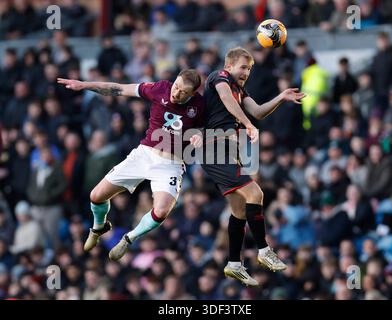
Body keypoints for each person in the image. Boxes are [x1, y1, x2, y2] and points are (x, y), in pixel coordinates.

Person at [57, 69, 204, 259]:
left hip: (170, 164)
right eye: (176, 86)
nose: (176, 93)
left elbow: (212, 127)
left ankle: (129, 238)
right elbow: (118, 89)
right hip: (144, 155)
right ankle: (98, 228)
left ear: (192, 94)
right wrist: (85, 85)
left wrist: (201, 135)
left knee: (161, 211)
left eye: (183, 92)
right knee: (96, 196)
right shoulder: (160, 88)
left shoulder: (201, 106)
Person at [201, 47, 305, 286]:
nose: (246, 72)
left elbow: (258, 111)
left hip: (228, 151)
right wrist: (247, 125)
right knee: (255, 192)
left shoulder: (239, 89)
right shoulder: (219, 77)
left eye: (249, 68)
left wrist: (281, 97)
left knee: (239, 209)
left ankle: (234, 263)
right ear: (229, 65)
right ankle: (264, 250)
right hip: (213, 148)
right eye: (243, 67)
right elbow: (227, 100)